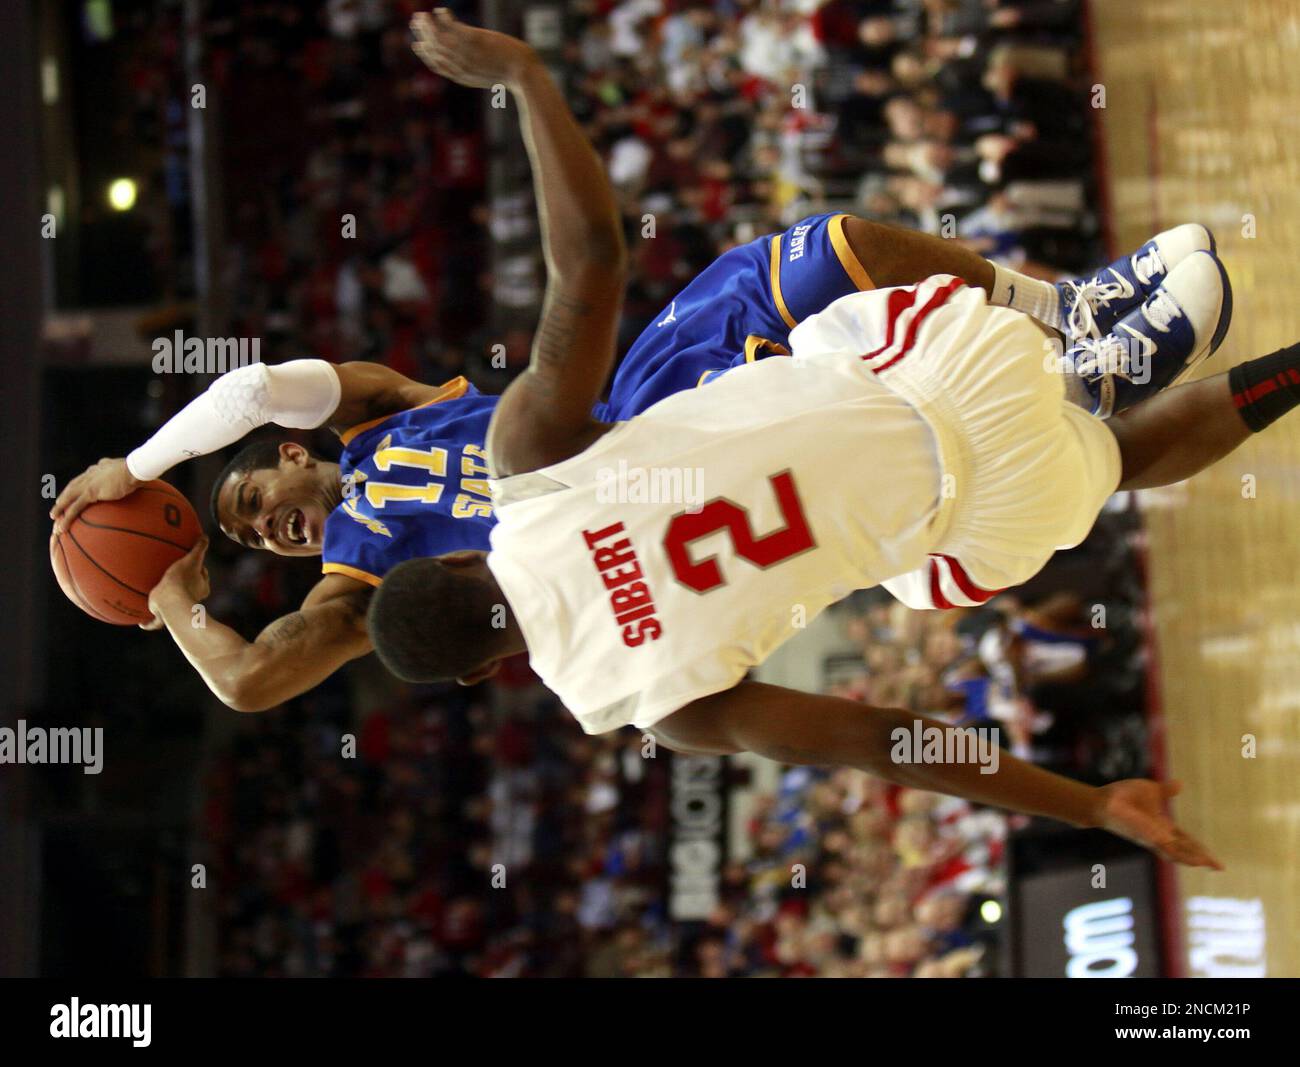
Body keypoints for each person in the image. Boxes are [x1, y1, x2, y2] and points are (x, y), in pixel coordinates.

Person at [49, 11, 1221, 712]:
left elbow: (254, 388)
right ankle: (1101, 376)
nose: (267, 525)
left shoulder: (377, 415)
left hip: (634, 398)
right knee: (1016, 458)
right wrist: (175, 598)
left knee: (831, 249)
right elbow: (253, 679)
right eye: (253, 535)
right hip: (666, 495)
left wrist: (136, 462)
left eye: (258, 495)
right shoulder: (360, 579)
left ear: (296, 457)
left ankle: (1062, 311)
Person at [361, 13, 1300, 869]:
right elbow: (593, 259)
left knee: (1087, 483)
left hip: (988, 504)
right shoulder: (522, 469)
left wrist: (1092, 805)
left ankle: (1149, 375)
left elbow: (884, 739)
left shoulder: (649, 705)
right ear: (453, 561)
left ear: (487, 667)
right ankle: (1068, 344)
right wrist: (526, 77)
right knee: (818, 279)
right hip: (926, 358)